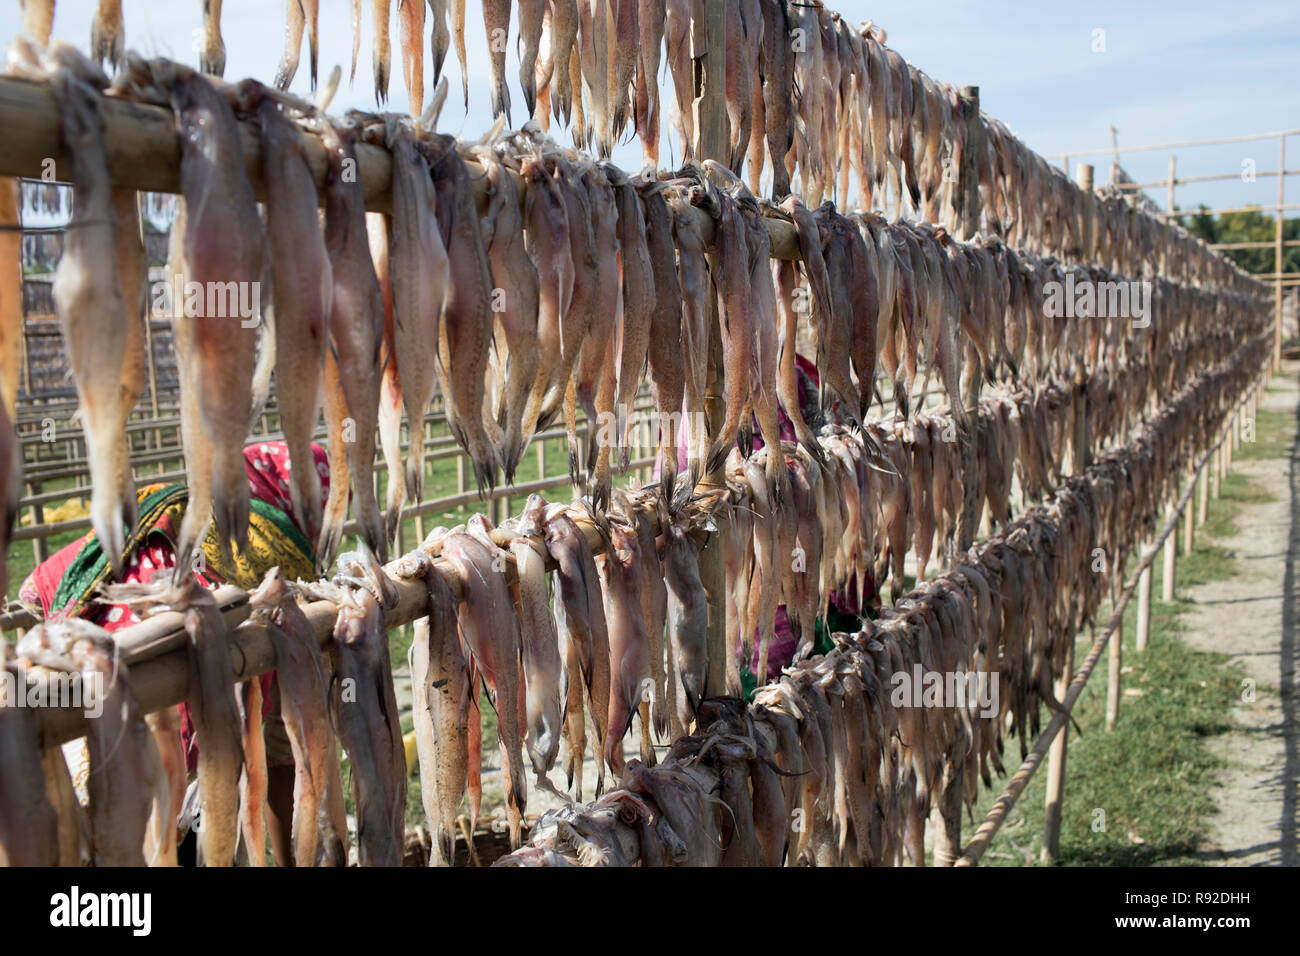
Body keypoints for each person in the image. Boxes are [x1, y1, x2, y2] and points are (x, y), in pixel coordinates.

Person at [19, 440, 331, 866]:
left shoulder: (163, 506)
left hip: (67, 712)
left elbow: (34, 591)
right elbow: (279, 754)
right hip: (159, 751)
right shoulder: (270, 563)